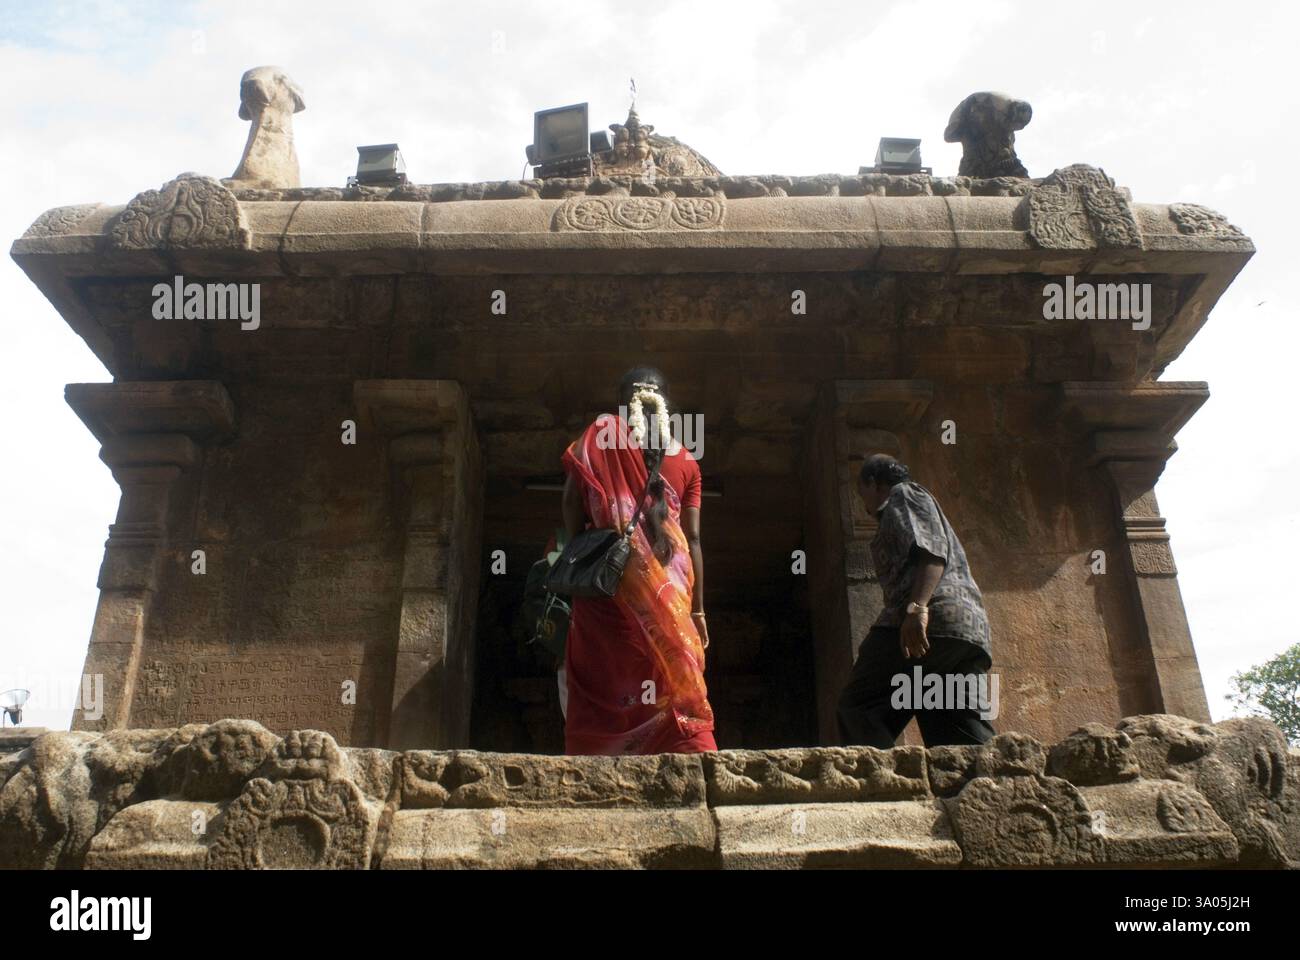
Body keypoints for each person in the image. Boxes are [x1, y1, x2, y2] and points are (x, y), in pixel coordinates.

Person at [559, 366, 716, 755]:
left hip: (607, 590)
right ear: (667, 406)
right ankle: (684, 750)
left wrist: (582, 544)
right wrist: (696, 612)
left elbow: (569, 503)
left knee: (605, 674)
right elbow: (693, 538)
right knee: (666, 674)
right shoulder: (687, 461)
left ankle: (598, 759)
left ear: (622, 402)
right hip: (671, 594)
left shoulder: (598, 439)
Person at [837, 453, 996, 748]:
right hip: (967, 632)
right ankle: (1001, 785)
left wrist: (917, 608)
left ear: (874, 483)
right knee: (953, 726)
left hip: (931, 621)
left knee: (858, 707)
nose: (865, 506)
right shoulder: (917, 501)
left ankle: (883, 785)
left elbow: (931, 551)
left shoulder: (903, 494)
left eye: (863, 494)